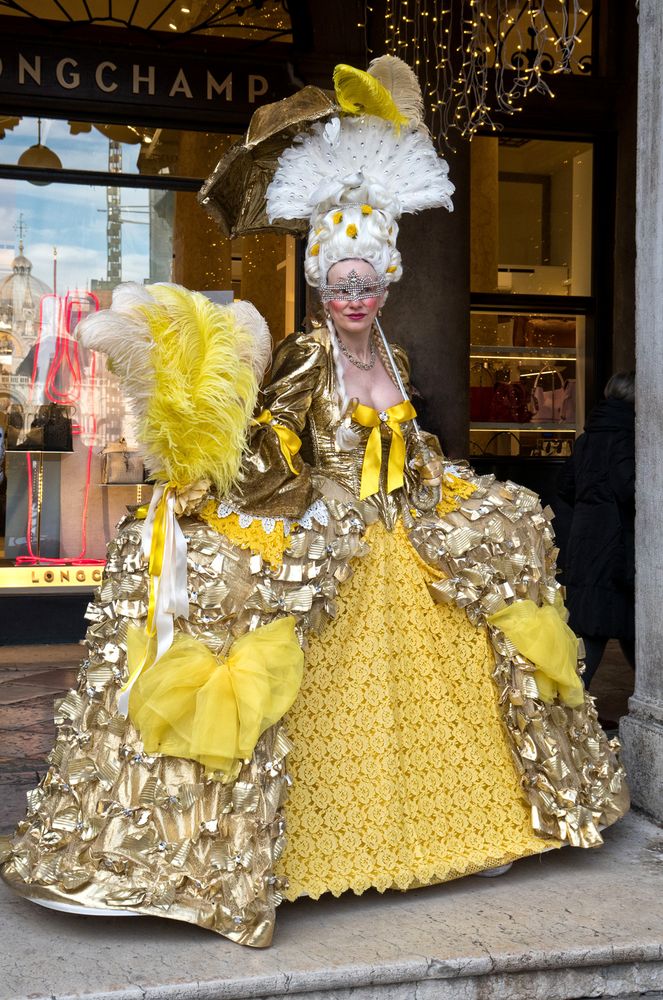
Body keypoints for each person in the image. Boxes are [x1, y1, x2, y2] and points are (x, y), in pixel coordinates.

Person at [1, 58, 628, 948]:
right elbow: (271, 446)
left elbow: (414, 447)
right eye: (340, 287)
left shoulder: (398, 361)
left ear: (387, 281)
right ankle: (284, 856)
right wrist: (231, 484)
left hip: (404, 535)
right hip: (332, 534)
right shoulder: (303, 358)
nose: (354, 302)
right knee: (298, 672)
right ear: (322, 286)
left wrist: (448, 488)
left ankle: (468, 829)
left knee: (490, 585)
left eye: (367, 286)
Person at [557, 371, 636, 690]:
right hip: (618, 550)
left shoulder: (587, 438)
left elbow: (564, 485)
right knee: (634, 630)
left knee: (591, 632)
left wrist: (592, 511)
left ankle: (569, 717)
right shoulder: (627, 437)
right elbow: (629, 490)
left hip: (588, 545)